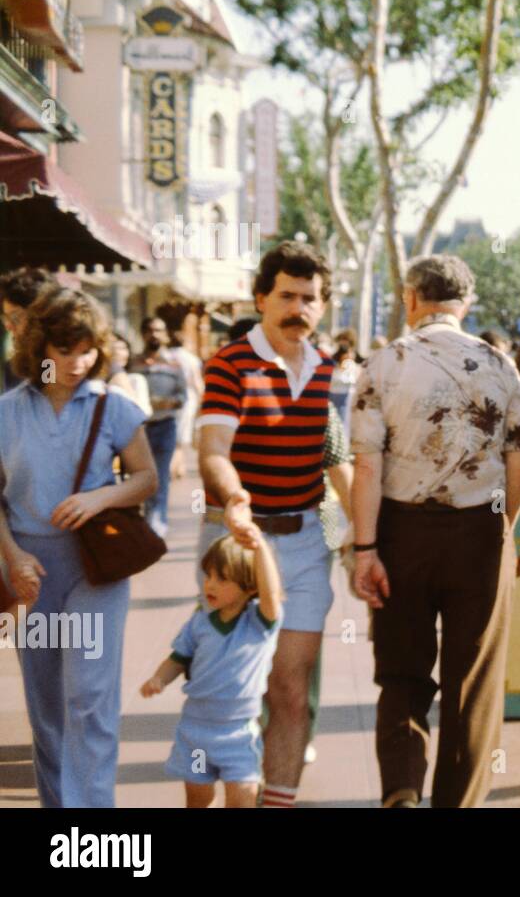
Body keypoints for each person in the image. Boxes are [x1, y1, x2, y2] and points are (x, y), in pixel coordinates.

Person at [350, 254, 520, 808]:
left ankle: (402, 789)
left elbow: (365, 465)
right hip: (478, 533)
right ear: (466, 304)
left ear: (411, 299)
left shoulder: (383, 365)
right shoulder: (498, 364)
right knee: (472, 684)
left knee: (402, 673)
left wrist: (365, 549)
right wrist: (501, 526)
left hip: (401, 532)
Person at [0, 288, 158, 807]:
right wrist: (13, 557)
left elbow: (145, 479)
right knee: (46, 706)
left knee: (90, 698)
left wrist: (98, 498)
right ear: (40, 348)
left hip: (96, 568)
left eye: (88, 350)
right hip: (29, 569)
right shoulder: (7, 412)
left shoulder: (114, 406)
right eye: (66, 350)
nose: (77, 362)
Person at [196, 241, 336, 809]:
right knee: (230, 689)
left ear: (322, 306)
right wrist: (233, 497)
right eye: (286, 296)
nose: (297, 308)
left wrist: (355, 537)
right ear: (261, 299)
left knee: (290, 688)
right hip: (237, 541)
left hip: (304, 540)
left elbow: (340, 456)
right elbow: (213, 449)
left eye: (309, 298)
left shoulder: (327, 369)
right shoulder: (230, 365)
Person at [141, 531, 282, 807]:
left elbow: (272, 593)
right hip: (196, 731)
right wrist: (159, 678)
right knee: (197, 799)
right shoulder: (199, 623)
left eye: (222, 578)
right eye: (208, 576)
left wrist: (258, 545)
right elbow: (177, 659)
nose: (210, 585)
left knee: (243, 796)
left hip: (239, 734)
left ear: (249, 586)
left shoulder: (259, 625)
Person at [130, 316, 190, 537]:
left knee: (161, 475)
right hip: (139, 428)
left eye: (159, 330)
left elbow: (183, 396)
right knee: (140, 475)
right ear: (144, 333)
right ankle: (144, 518)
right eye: (150, 330)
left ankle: (158, 519)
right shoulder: (133, 362)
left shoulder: (174, 364)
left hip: (165, 425)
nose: (154, 334)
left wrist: (164, 402)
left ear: (165, 334)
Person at [0, 266, 55, 393]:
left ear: (41, 313)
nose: (8, 326)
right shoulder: (15, 367)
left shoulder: (52, 362)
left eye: (15, 317)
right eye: (5, 318)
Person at [169, 327, 204, 480]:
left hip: (168, 399)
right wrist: (204, 399)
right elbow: (197, 382)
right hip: (188, 399)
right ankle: (175, 467)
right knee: (181, 436)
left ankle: (178, 465)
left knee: (173, 433)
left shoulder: (166, 356)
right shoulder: (191, 358)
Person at [107, 332, 152, 417]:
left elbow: (143, 411)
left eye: (123, 348)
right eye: (114, 348)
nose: (119, 353)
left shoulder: (134, 379)